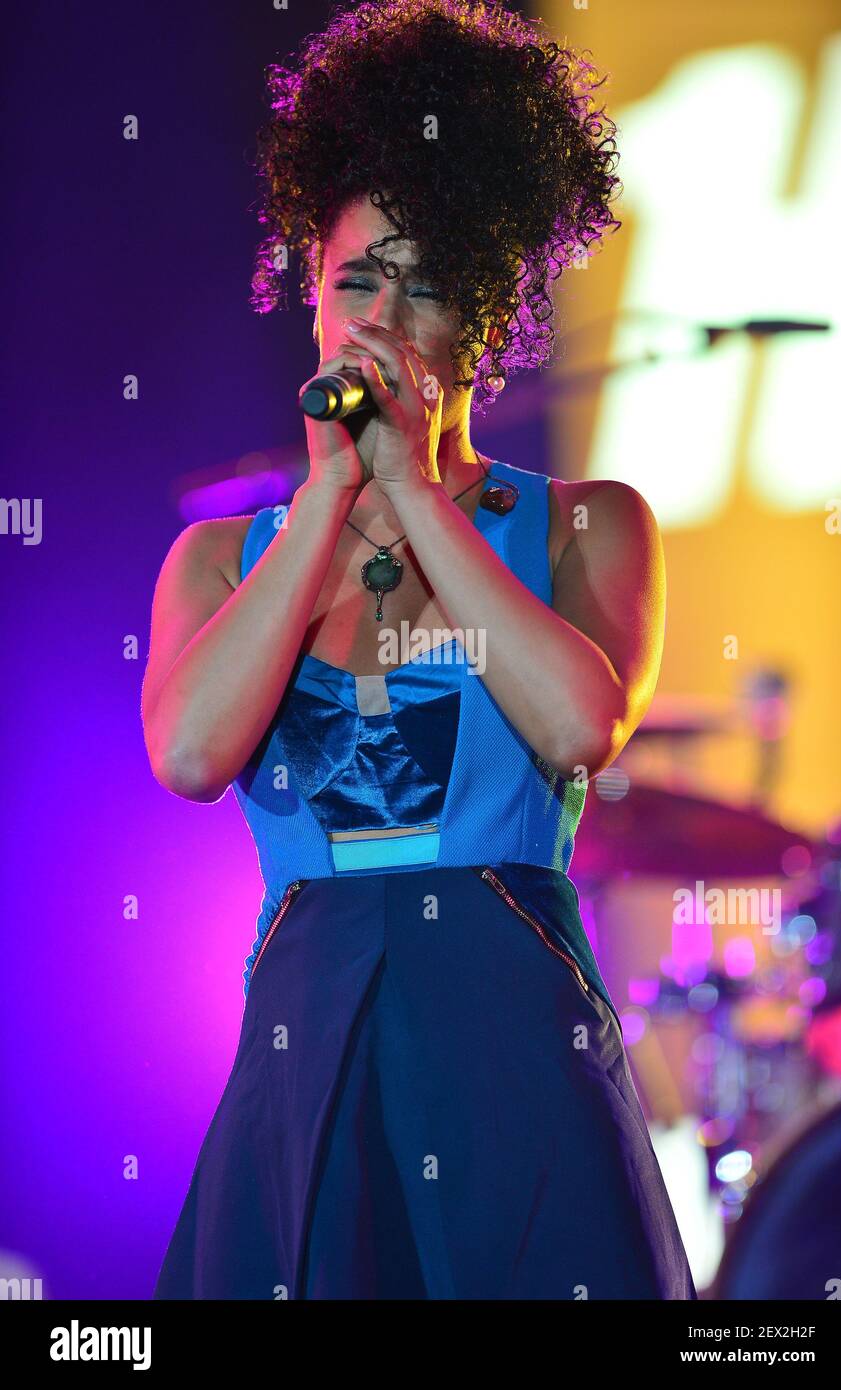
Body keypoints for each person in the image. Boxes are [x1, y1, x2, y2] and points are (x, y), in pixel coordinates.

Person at [143, 0, 696, 1300]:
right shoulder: (224, 561)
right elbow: (186, 749)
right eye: (356, 279)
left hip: (515, 1044)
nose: (385, 317)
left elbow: (577, 725)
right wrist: (330, 497)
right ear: (310, 297)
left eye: (428, 283)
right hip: (306, 1049)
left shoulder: (582, 525)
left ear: (484, 314)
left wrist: (421, 489)